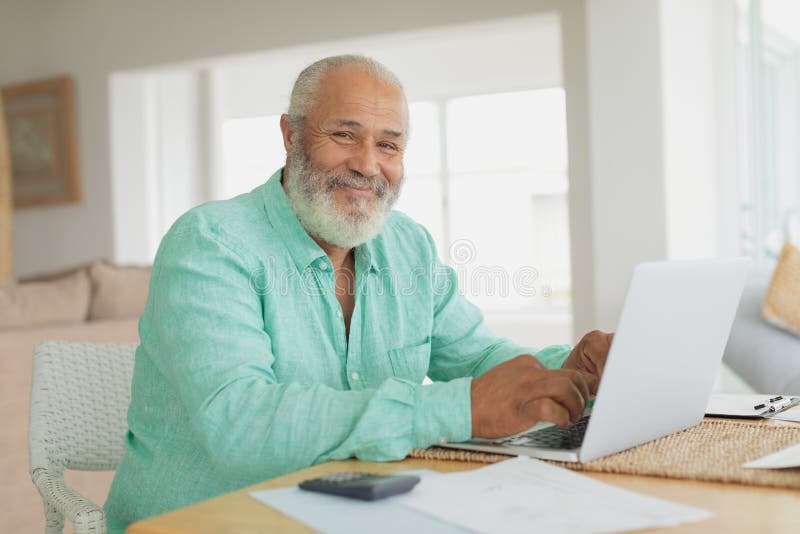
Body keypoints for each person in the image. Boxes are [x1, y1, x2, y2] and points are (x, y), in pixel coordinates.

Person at [104, 54, 613, 531]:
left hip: (354, 515)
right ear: (291, 134)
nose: (368, 165)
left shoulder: (407, 244)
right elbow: (240, 422)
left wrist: (572, 372)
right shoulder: (210, 243)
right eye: (345, 135)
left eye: (388, 145)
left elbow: (479, 356)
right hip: (208, 522)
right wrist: (459, 408)